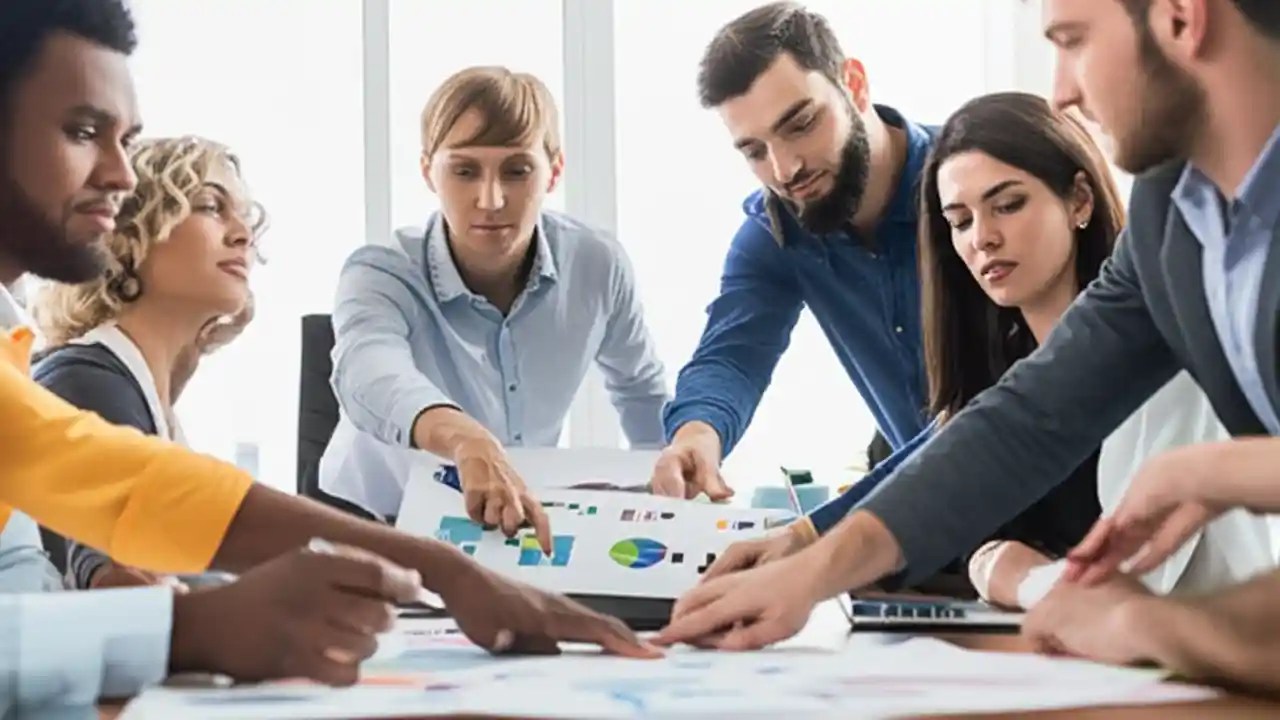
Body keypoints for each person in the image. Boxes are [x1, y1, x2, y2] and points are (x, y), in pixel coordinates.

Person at [0, 1, 655, 705]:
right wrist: (188, 628)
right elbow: (368, 369)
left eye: (126, 140)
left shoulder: (20, 360)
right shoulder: (377, 270)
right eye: (81, 131)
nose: (123, 177)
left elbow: (138, 485)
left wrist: (451, 571)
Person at [655, 0, 1280, 674]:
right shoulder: (1169, 215)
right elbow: (1025, 417)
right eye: (957, 220)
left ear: (1181, 19)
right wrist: (810, 569)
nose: (1062, 89)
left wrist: (1222, 471)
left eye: (1072, 42)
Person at [321, 65, 668, 532]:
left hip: (513, 514)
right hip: (375, 519)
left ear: (554, 171)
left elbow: (640, 390)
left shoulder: (596, 263)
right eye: (464, 171)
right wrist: (465, 439)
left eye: (516, 171)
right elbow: (369, 370)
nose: (490, 199)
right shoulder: (379, 271)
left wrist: (670, 500)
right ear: (428, 172)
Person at [648, 1, 939, 502]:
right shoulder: (775, 232)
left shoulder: (972, 188)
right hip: (929, 519)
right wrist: (698, 432)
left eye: (800, 125)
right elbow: (732, 356)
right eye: (754, 151)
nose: (784, 170)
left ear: (855, 83)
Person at [28, 135, 261, 592]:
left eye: (244, 216)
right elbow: (124, 571)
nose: (242, 234)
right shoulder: (84, 381)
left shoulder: (140, 396)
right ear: (126, 234)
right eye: (211, 207)